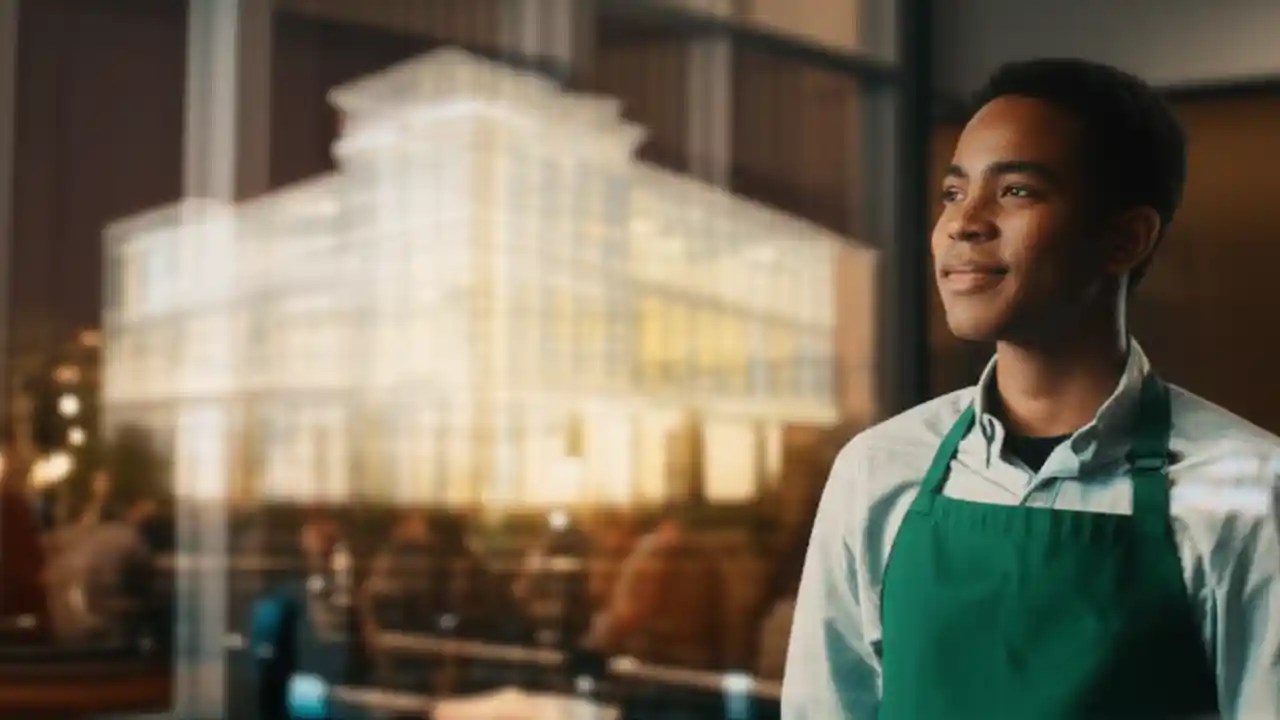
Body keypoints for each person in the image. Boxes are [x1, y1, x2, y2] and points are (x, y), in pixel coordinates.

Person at [782, 58, 1280, 719]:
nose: (965, 224)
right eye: (954, 194)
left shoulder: (1247, 487)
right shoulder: (878, 471)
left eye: (1016, 191)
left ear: (1126, 237)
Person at [586, 504, 722, 669]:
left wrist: (590, 647)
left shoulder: (651, 553)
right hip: (696, 661)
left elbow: (627, 614)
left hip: (657, 663)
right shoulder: (693, 551)